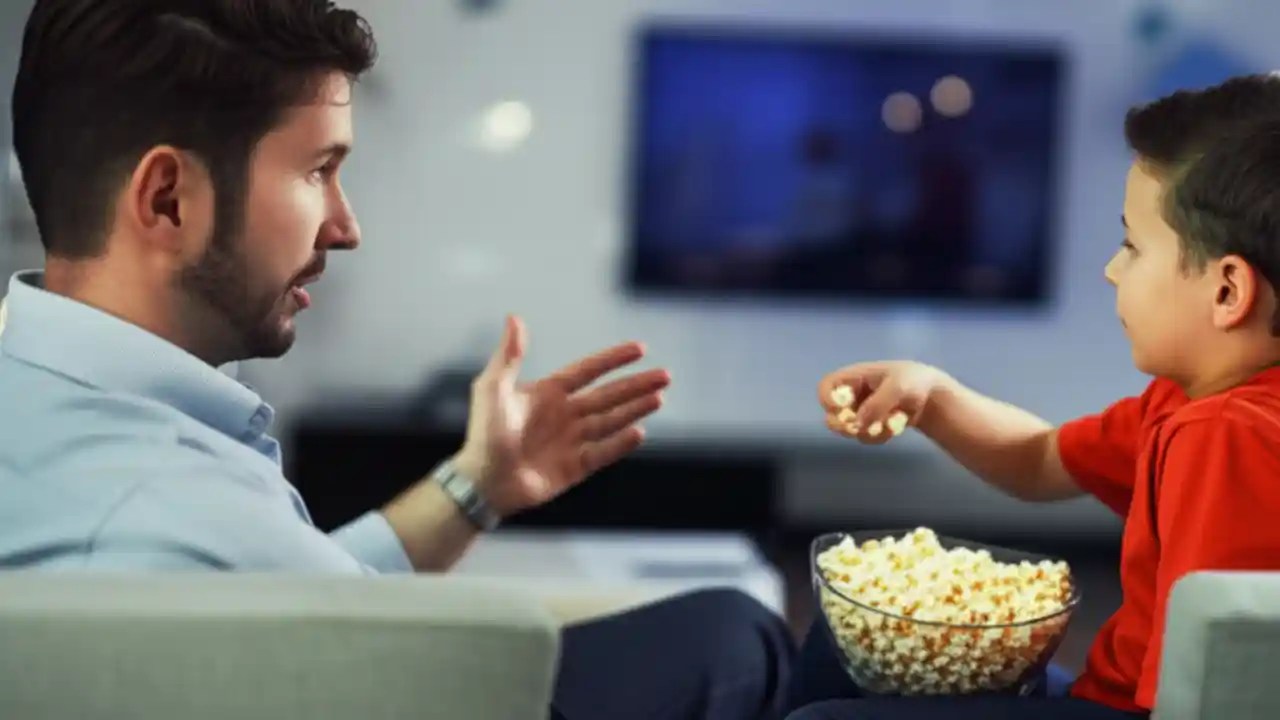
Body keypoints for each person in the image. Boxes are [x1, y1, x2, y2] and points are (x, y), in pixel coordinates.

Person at [0, 2, 794, 719]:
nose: (345, 227)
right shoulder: (178, 509)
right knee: (738, 636)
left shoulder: (53, 416)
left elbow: (297, 604)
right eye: (319, 171)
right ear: (168, 198)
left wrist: (476, 486)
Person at [794, 75, 1280, 718]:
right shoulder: (1188, 401)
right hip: (1109, 695)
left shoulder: (1227, 436)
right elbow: (1040, 458)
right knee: (842, 645)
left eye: (1132, 246)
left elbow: (1216, 686)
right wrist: (931, 396)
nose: (1112, 268)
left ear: (1226, 292)